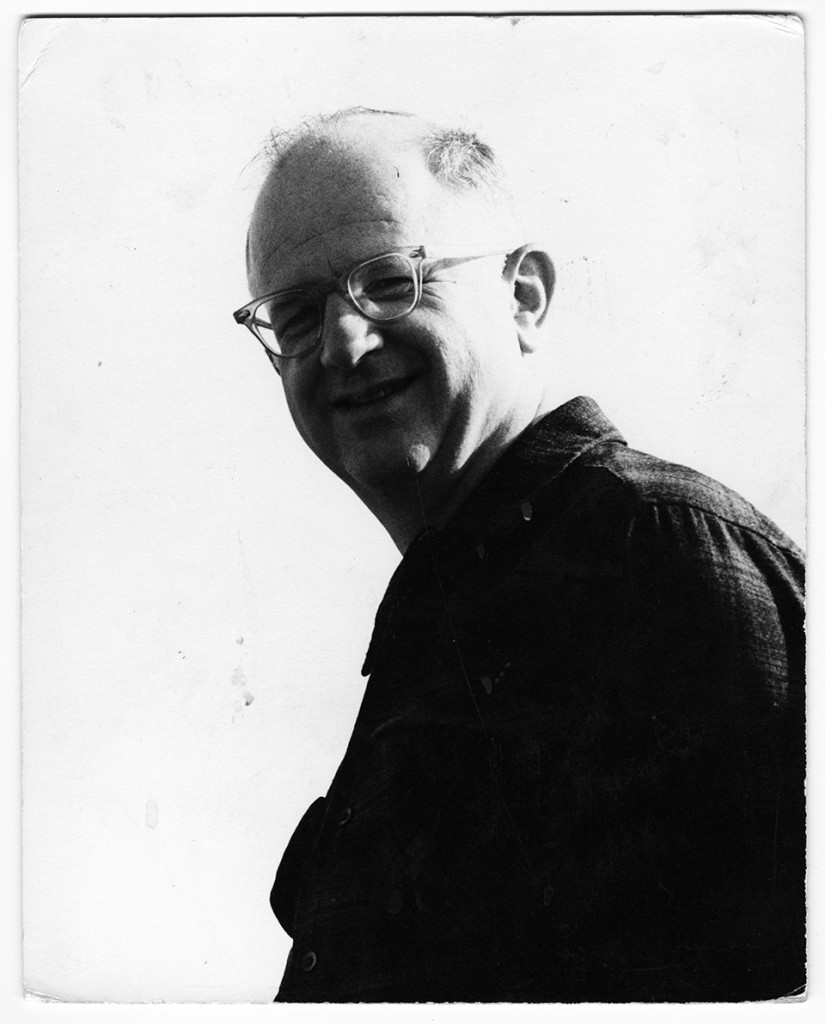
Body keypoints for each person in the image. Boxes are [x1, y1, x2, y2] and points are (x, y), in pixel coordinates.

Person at [233, 108, 805, 1002]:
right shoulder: (455, 608)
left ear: (524, 296)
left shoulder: (657, 555)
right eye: (297, 314)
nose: (343, 341)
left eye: (390, 281)